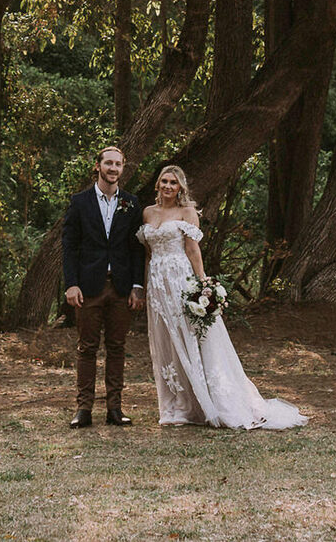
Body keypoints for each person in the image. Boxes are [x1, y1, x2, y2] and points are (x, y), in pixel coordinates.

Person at [138, 163, 306, 430]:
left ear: (180, 187)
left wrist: (204, 284)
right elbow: (148, 252)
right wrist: (147, 283)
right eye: (164, 181)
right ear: (158, 184)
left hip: (181, 279)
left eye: (173, 182)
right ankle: (177, 406)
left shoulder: (187, 212)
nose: (168, 186)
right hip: (158, 283)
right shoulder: (147, 213)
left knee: (192, 336)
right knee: (166, 339)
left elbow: (193, 250)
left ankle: (211, 401)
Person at [61, 144, 146, 428]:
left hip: (121, 287)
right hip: (88, 287)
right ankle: (83, 409)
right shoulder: (80, 202)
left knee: (117, 347)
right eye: (108, 163)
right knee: (87, 347)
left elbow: (136, 249)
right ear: (98, 166)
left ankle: (115, 408)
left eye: (118, 164)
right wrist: (71, 284)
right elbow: (69, 246)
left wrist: (137, 285)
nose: (113, 169)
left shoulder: (132, 204)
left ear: (123, 169)